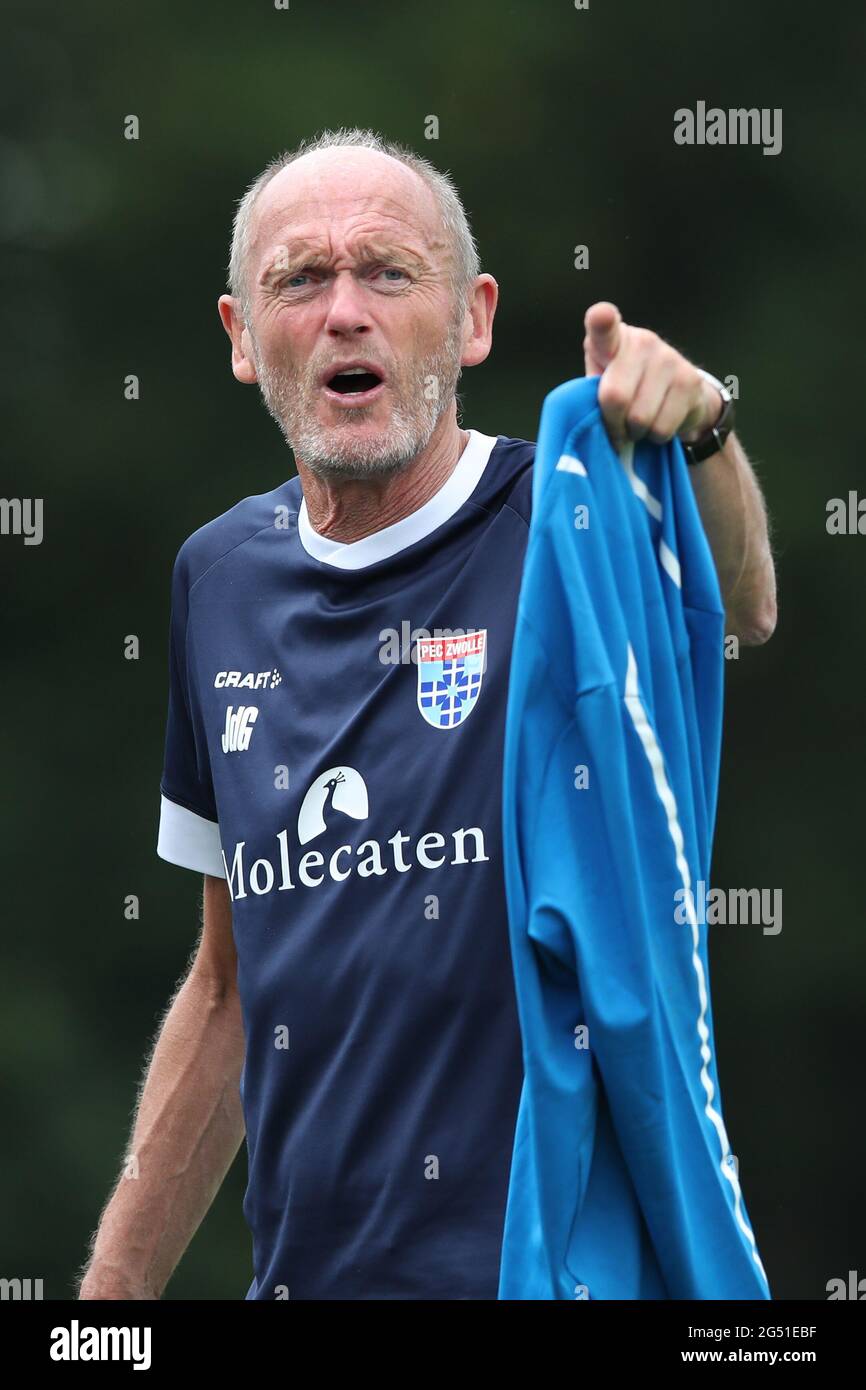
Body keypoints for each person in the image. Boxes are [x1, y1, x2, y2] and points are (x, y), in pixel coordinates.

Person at [78, 128, 776, 1301]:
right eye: (299, 280)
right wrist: (107, 1305)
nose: (343, 310)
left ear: (471, 320)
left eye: (387, 273)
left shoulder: (564, 520)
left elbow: (740, 604)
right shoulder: (218, 577)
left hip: (549, 1276)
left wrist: (699, 432)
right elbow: (227, 986)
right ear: (242, 340)